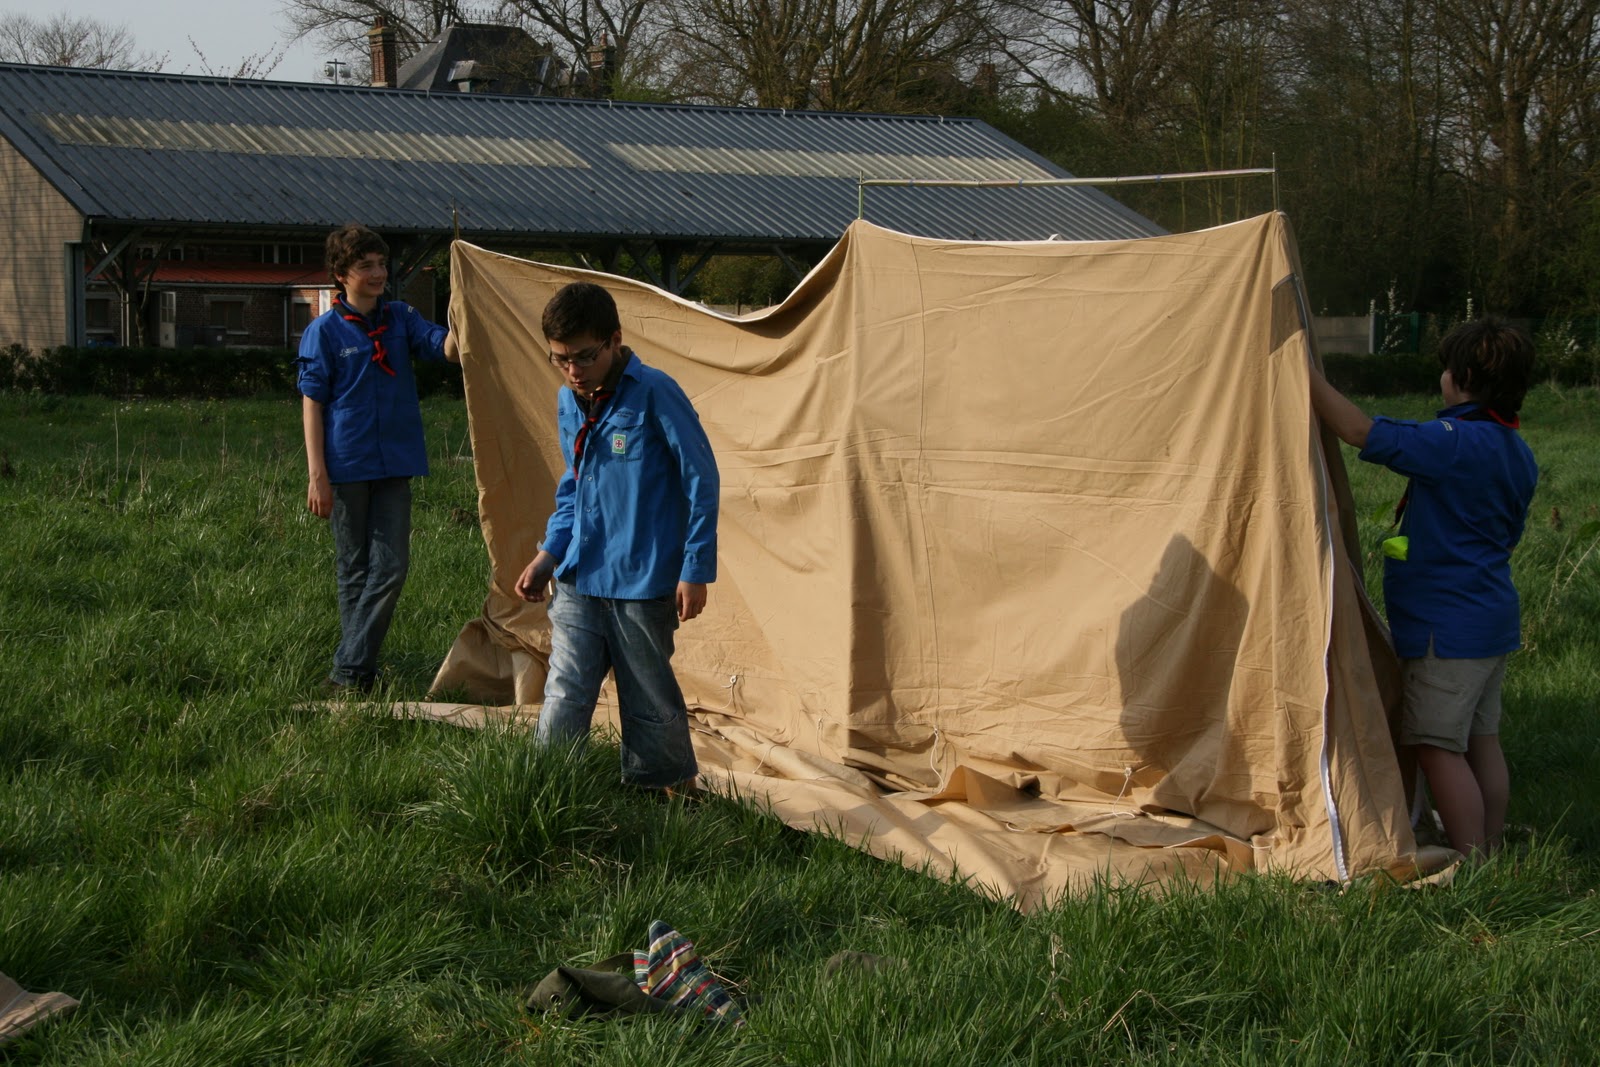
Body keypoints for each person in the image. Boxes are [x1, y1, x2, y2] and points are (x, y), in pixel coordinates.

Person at [1309, 317, 1538, 857]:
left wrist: (1306, 375)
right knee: (1482, 741)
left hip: (1447, 629)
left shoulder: (1455, 441)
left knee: (1437, 749)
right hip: (1489, 620)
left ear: (1458, 378)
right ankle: (1492, 845)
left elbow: (1363, 433)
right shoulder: (1515, 448)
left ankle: (1471, 860)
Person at [514, 281, 719, 791]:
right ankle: (547, 787)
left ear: (614, 341)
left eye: (584, 357)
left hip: (642, 580)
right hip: (580, 578)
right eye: (559, 359)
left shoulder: (655, 392)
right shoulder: (569, 401)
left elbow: (701, 478)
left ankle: (669, 789)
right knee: (565, 687)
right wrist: (548, 553)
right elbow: (575, 486)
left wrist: (695, 569)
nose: (572, 370)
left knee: (647, 692)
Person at [298, 223, 458, 692]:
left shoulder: (401, 318)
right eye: (365, 266)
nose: (377, 273)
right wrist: (317, 476)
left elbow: (446, 349)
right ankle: (358, 677)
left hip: (395, 464)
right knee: (354, 570)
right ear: (341, 275)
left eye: (381, 264)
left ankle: (346, 670)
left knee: (390, 567)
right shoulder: (323, 332)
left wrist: (467, 309)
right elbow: (312, 403)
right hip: (346, 466)